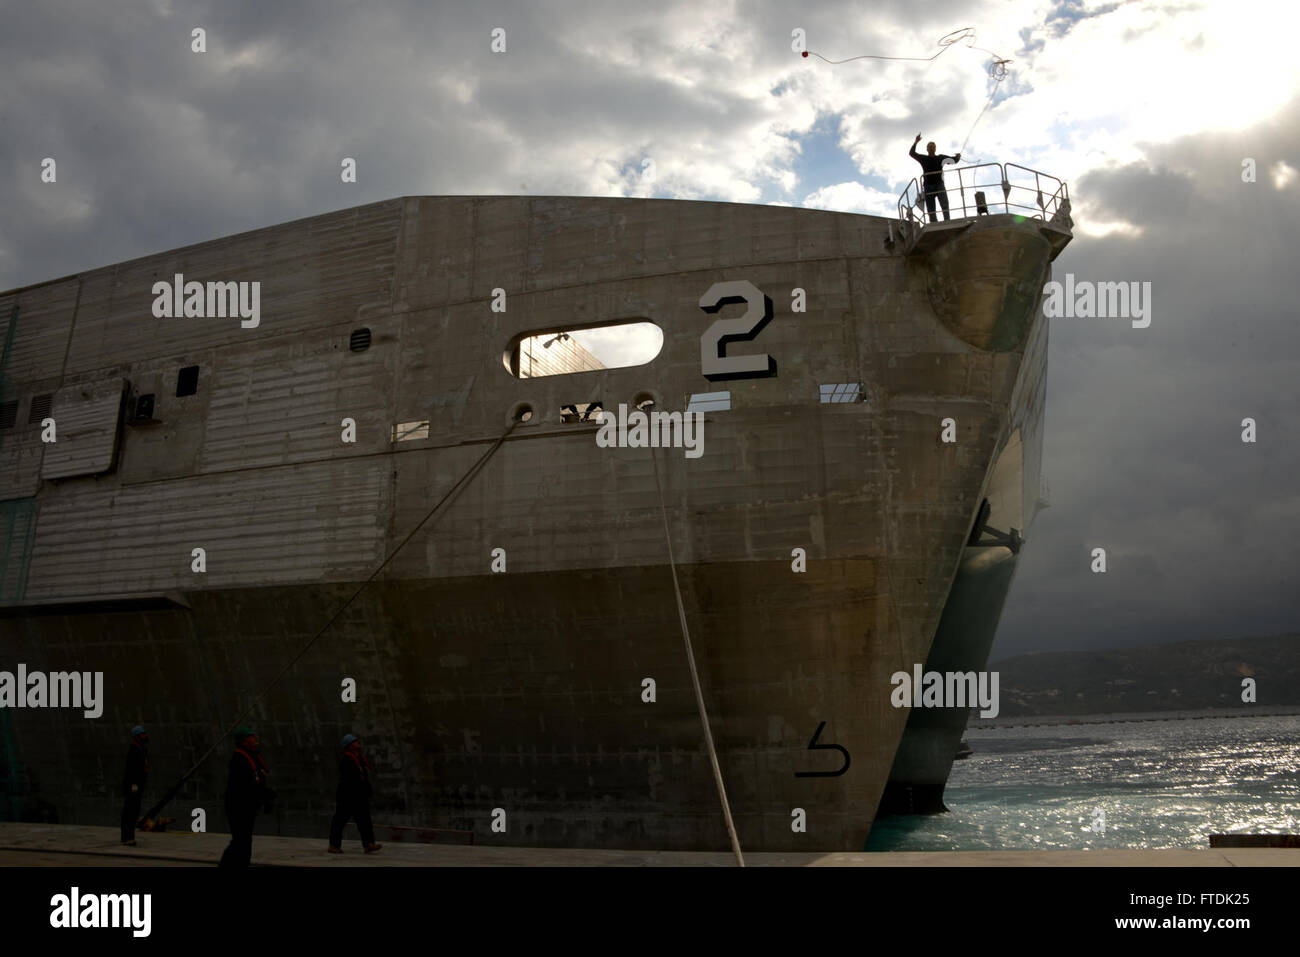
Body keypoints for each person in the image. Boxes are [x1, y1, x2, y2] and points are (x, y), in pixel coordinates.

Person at [219, 727, 274, 868]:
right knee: (240, 840)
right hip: (238, 806)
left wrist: (266, 798)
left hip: (248, 806)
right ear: (244, 741)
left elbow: (259, 781)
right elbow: (244, 785)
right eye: (251, 737)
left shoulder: (254, 756)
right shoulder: (239, 758)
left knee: (244, 840)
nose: (255, 738)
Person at [328, 734, 382, 854]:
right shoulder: (347, 759)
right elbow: (350, 780)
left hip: (359, 796)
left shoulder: (360, 759)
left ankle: (369, 844)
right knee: (340, 821)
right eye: (355, 742)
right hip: (348, 796)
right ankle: (333, 845)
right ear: (350, 745)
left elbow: (364, 777)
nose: (358, 743)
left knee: (365, 821)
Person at [909, 134, 962, 222]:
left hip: (939, 185)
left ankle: (947, 221)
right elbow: (912, 153)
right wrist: (916, 142)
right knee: (931, 209)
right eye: (929, 147)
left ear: (935, 148)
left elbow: (954, 161)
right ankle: (934, 223)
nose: (931, 148)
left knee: (944, 204)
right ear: (927, 149)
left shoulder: (941, 158)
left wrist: (958, 157)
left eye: (933, 147)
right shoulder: (924, 158)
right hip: (928, 186)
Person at [120, 726, 150, 846]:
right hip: (133, 787)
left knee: (134, 812)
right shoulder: (134, 750)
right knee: (130, 812)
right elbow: (131, 770)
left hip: (138, 786)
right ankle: (126, 837)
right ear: (137, 737)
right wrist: (133, 785)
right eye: (142, 734)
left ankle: (129, 836)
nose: (145, 736)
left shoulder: (142, 749)